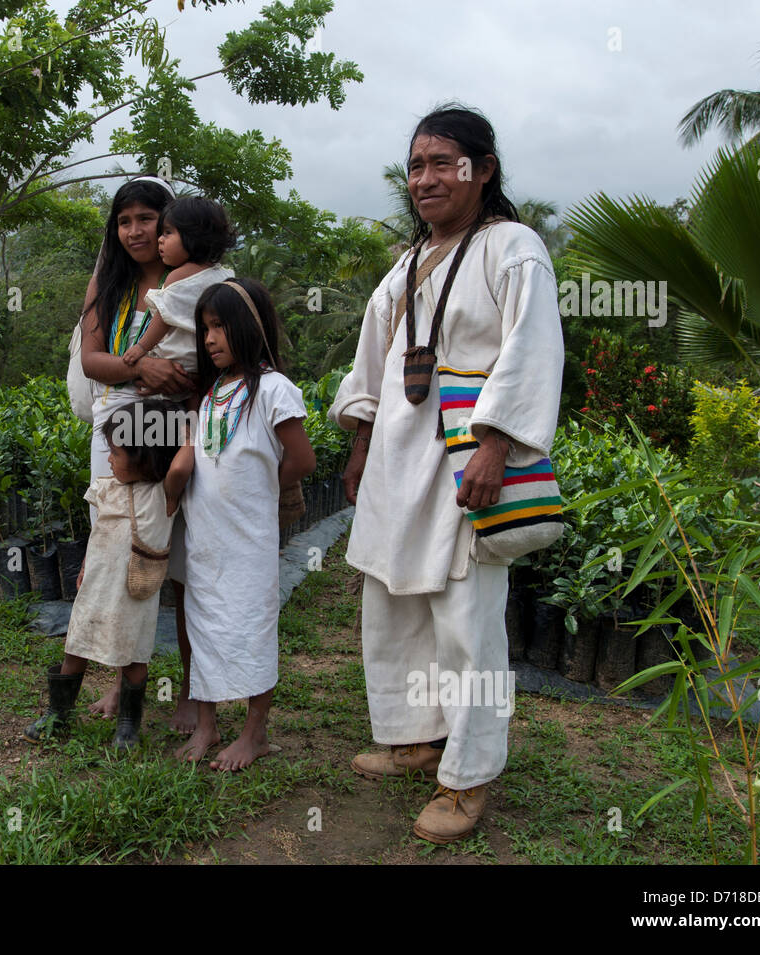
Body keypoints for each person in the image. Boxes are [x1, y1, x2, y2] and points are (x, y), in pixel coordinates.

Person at [329, 105, 564, 843]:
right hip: (399, 460)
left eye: (442, 163)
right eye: (417, 165)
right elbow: (374, 361)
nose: (425, 178)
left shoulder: (513, 247)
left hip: (466, 461)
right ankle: (416, 737)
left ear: (482, 170)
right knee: (394, 603)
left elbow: (531, 351)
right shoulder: (403, 266)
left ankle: (467, 777)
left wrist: (497, 445)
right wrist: (360, 444)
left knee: (466, 621)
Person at [172, 278, 316, 771]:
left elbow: (301, 459)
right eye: (205, 328)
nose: (209, 338)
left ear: (247, 327)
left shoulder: (274, 388)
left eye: (219, 326)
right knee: (205, 625)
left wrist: (262, 495)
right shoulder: (212, 393)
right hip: (205, 539)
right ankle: (208, 725)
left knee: (253, 628)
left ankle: (254, 733)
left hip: (250, 540)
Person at [79, 176, 200, 732]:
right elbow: (91, 361)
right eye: (124, 221)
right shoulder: (109, 283)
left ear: (168, 222)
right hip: (119, 435)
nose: (134, 231)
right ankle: (117, 684)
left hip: (179, 427)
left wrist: (167, 377)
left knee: (182, 565)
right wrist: (141, 366)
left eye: (146, 219)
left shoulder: (194, 283)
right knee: (121, 552)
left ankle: (191, 693)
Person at [24, 399, 191, 749]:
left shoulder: (164, 495)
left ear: (145, 454)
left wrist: (186, 433)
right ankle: (59, 714)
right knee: (76, 646)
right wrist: (85, 566)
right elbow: (98, 533)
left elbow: (179, 468)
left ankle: (128, 727)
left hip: (134, 593)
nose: (110, 459)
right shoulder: (106, 487)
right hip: (97, 586)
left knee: (133, 657)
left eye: (116, 452)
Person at [121, 196, 235, 394]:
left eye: (168, 233)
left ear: (192, 236)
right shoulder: (225, 274)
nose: (160, 240)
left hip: (180, 356)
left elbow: (163, 318)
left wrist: (141, 348)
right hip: (210, 359)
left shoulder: (179, 276)